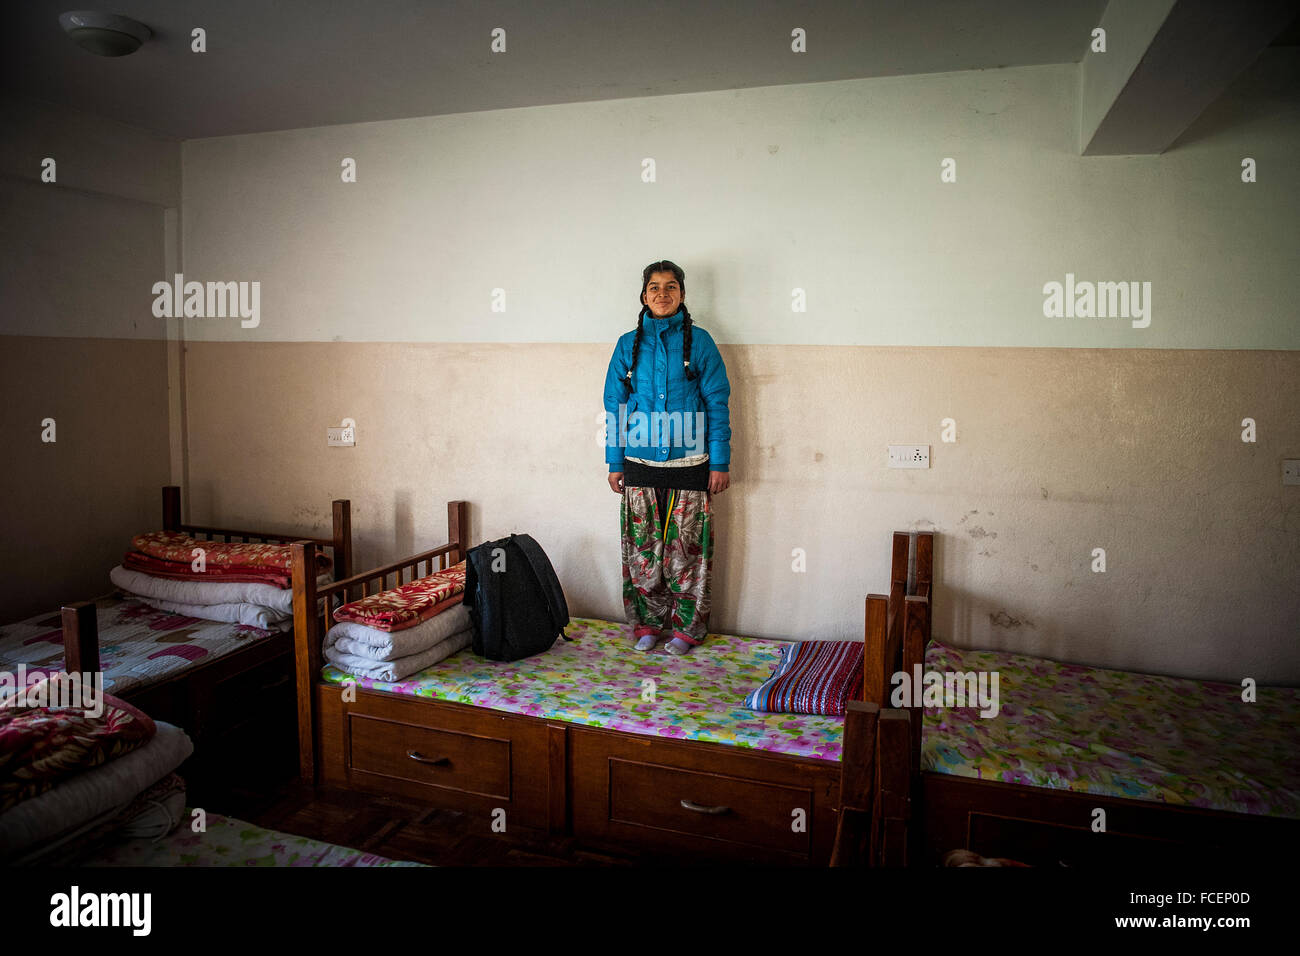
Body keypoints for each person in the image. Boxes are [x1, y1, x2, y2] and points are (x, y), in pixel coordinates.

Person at [603, 260, 731, 655]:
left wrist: (720, 461)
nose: (662, 293)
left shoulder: (701, 342)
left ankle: (686, 631)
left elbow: (717, 402)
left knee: (687, 555)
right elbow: (614, 404)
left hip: (691, 465)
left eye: (671, 286)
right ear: (644, 296)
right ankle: (646, 625)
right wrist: (615, 461)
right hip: (638, 463)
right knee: (644, 553)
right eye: (655, 287)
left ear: (682, 294)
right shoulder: (628, 344)